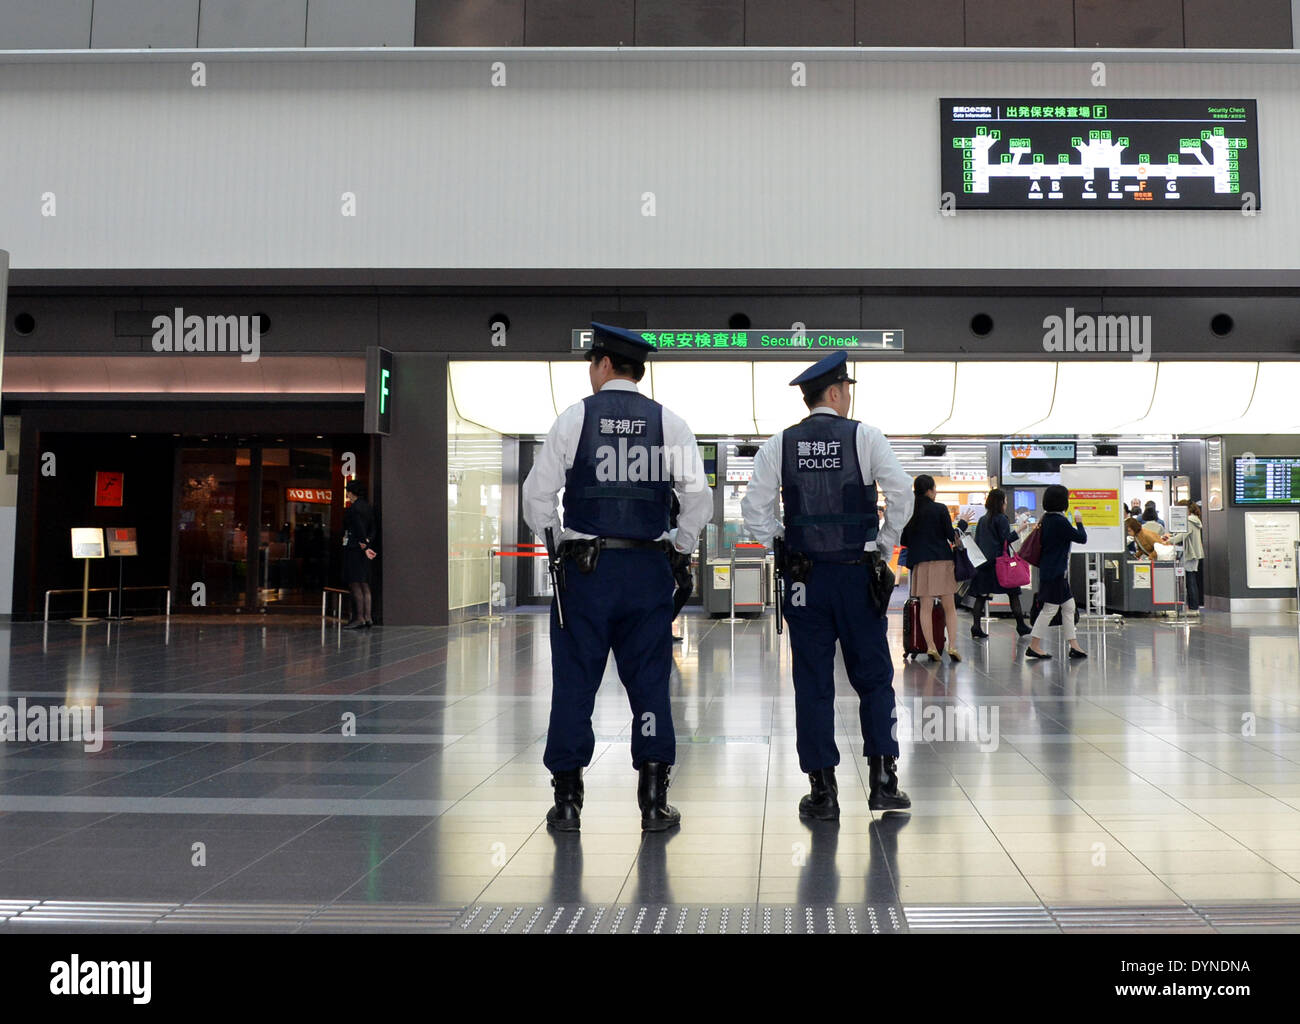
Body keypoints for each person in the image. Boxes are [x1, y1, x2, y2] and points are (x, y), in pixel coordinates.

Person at [522, 323, 711, 833]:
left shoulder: (575, 418)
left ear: (605, 365)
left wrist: (559, 542)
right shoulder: (668, 422)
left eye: (591, 363)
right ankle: (653, 799)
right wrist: (680, 546)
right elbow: (699, 500)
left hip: (587, 573)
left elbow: (537, 496)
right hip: (647, 569)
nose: (590, 372)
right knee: (650, 681)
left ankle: (567, 800)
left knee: (574, 682)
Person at [742, 351, 915, 820]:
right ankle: (883, 781)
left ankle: (822, 792)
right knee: (874, 678)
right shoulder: (866, 436)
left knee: (813, 683)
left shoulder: (781, 443)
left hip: (805, 581)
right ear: (835, 393)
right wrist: (883, 548)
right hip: (857, 575)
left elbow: (754, 509)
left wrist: (782, 540)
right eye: (848, 391)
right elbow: (902, 494)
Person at [900, 475, 962, 662]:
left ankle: (931, 647)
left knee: (925, 608)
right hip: (942, 561)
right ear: (930, 490)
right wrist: (963, 525)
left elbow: (904, 540)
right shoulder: (940, 509)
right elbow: (951, 536)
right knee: (949, 607)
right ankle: (952, 646)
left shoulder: (911, 511)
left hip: (921, 563)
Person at [1026, 484, 1087, 660]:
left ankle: (1074, 645)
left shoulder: (1046, 519)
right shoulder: (1059, 521)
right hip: (1056, 573)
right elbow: (1081, 538)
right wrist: (1079, 522)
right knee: (1050, 609)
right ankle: (1034, 645)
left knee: (1068, 607)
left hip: (1051, 571)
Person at [969, 487, 1033, 639]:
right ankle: (1021, 625)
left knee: (981, 596)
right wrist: (1020, 530)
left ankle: (976, 626)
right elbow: (1006, 540)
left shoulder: (983, 520)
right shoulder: (1001, 519)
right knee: (1013, 593)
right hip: (1000, 564)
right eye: (1004, 501)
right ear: (1000, 503)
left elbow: (978, 541)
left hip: (984, 564)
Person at [341, 480, 377, 629]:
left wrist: (363, 544)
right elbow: (373, 527)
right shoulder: (368, 507)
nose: (347, 494)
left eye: (348, 492)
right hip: (366, 549)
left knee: (355, 583)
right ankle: (368, 617)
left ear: (351, 492)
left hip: (356, 548)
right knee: (364, 583)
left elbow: (358, 528)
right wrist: (369, 542)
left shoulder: (354, 509)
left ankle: (359, 617)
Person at [1166, 499, 1205, 615]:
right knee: (1190, 579)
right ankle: (1193, 607)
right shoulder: (1194, 520)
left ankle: (1193, 608)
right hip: (1193, 554)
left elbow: (1183, 535)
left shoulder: (1189, 521)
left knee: (1190, 580)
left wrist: (1169, 540)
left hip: (1189, 554)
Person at [669, 492, 694, 642]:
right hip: (667, 546)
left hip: (676, 547)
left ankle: (665, 625)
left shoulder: (677, 494)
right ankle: (662, 628)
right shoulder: (668, 492)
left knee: (686, 586)